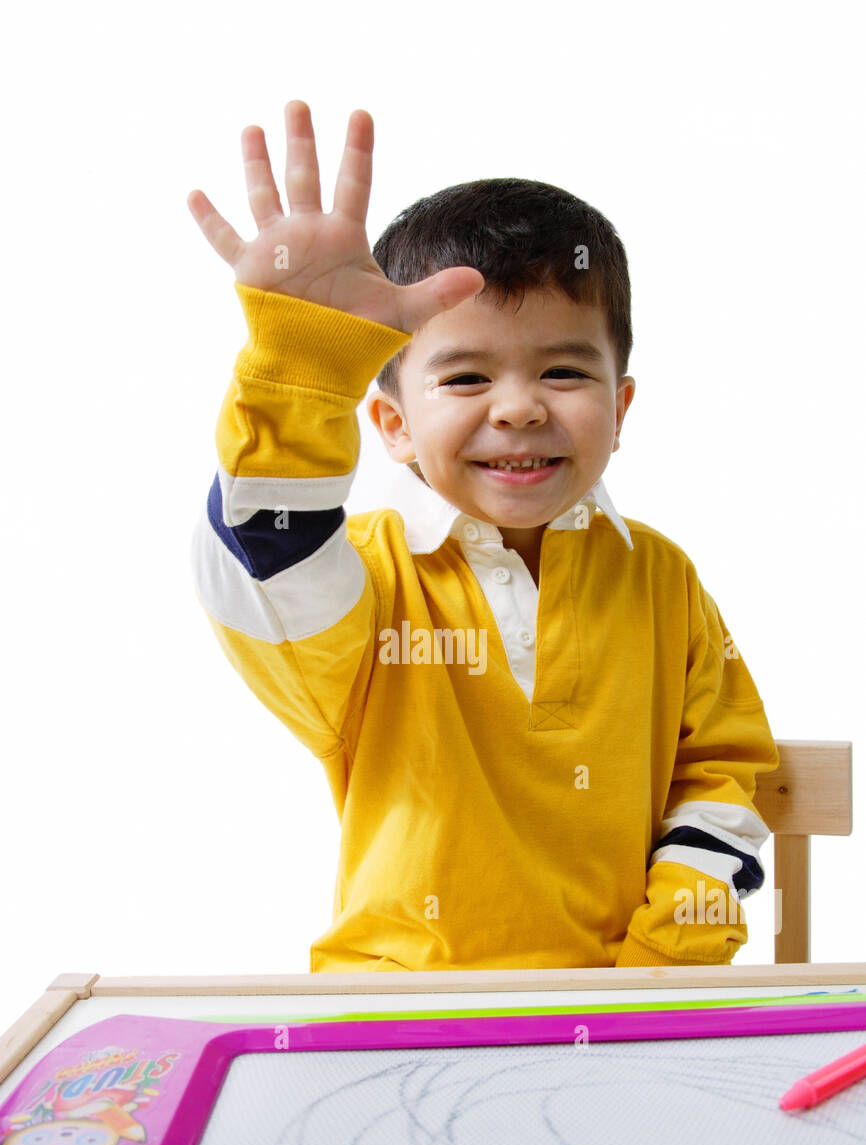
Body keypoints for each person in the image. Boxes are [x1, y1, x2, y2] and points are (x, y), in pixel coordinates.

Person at [186, 99, 779, 972]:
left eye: (564, 370)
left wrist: (659, 970)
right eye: (464, 376)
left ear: (618, 411)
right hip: (394, 1019)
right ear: (391, 423)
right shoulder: (365, 578)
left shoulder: (661, 576)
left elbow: (723, 781)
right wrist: (304, 369)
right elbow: (262, 567)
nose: (519, 406)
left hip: (626, 1017)